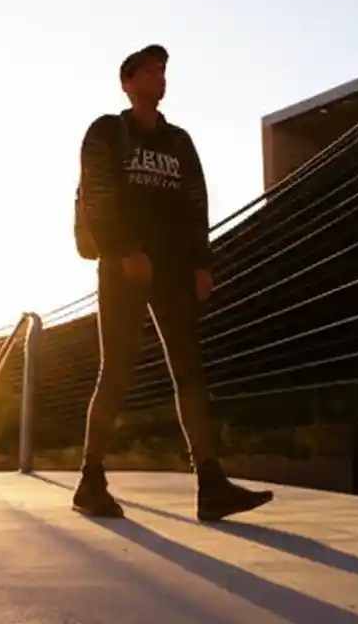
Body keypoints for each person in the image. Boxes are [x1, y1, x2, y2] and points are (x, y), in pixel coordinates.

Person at [72, 43, 274, 521]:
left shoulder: (179, 141)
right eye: (149, 69)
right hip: (123, 268)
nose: (159, 76)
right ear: (128, 82)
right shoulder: (106, 132)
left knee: (189, 370)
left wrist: (202, 263)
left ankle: (210, 482)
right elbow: (97, 194)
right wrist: (122, 250)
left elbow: (195, 203)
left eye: (163, 69)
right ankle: (89, 479)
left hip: (173, 270)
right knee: (116, 371)